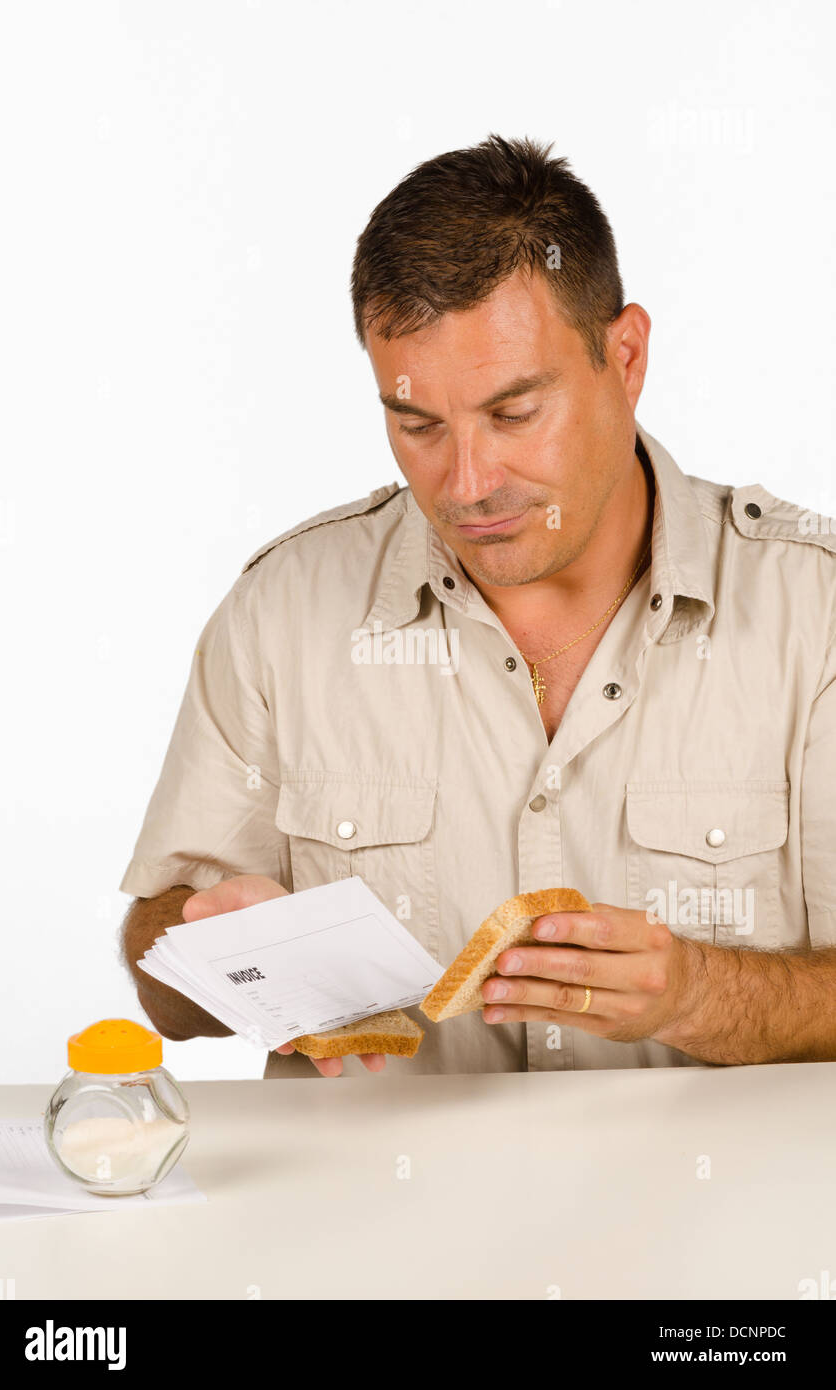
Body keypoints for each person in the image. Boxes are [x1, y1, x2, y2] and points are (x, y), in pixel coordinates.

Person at [120, 133, 836, 1078]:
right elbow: (160, 975)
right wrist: (219, 952)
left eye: (512, 413)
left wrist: (696, 992)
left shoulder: (812, 610)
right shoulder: (282, 611)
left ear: (624, 357)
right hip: (380, 1217)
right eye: (416, 424)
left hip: (713, 1219)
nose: (464, 483)